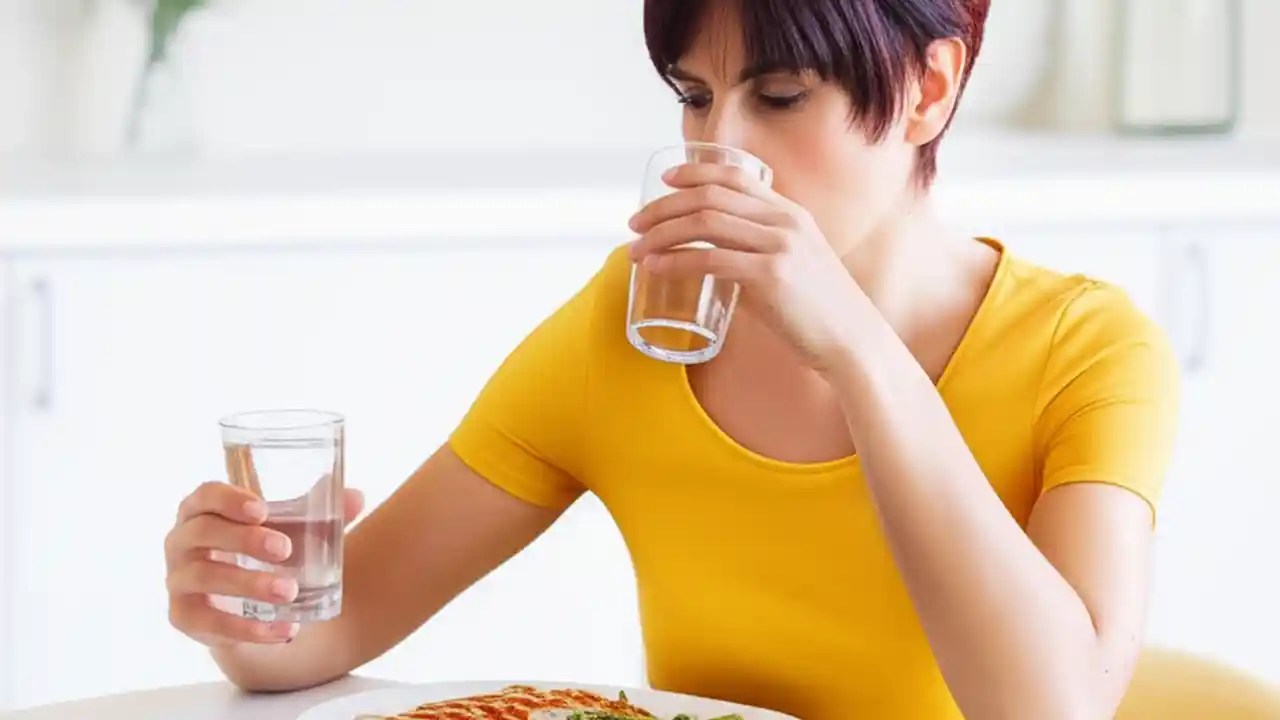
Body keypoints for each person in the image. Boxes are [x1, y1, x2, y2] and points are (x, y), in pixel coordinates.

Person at [163, 0, 1180, 717]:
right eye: (694, 96)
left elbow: (1048, 710)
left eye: (779, 96)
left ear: (926, 89)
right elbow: (324, 637)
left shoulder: (1084, 350)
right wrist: (246, 600)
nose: (717, 148)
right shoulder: (633, 323)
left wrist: (855, 352)